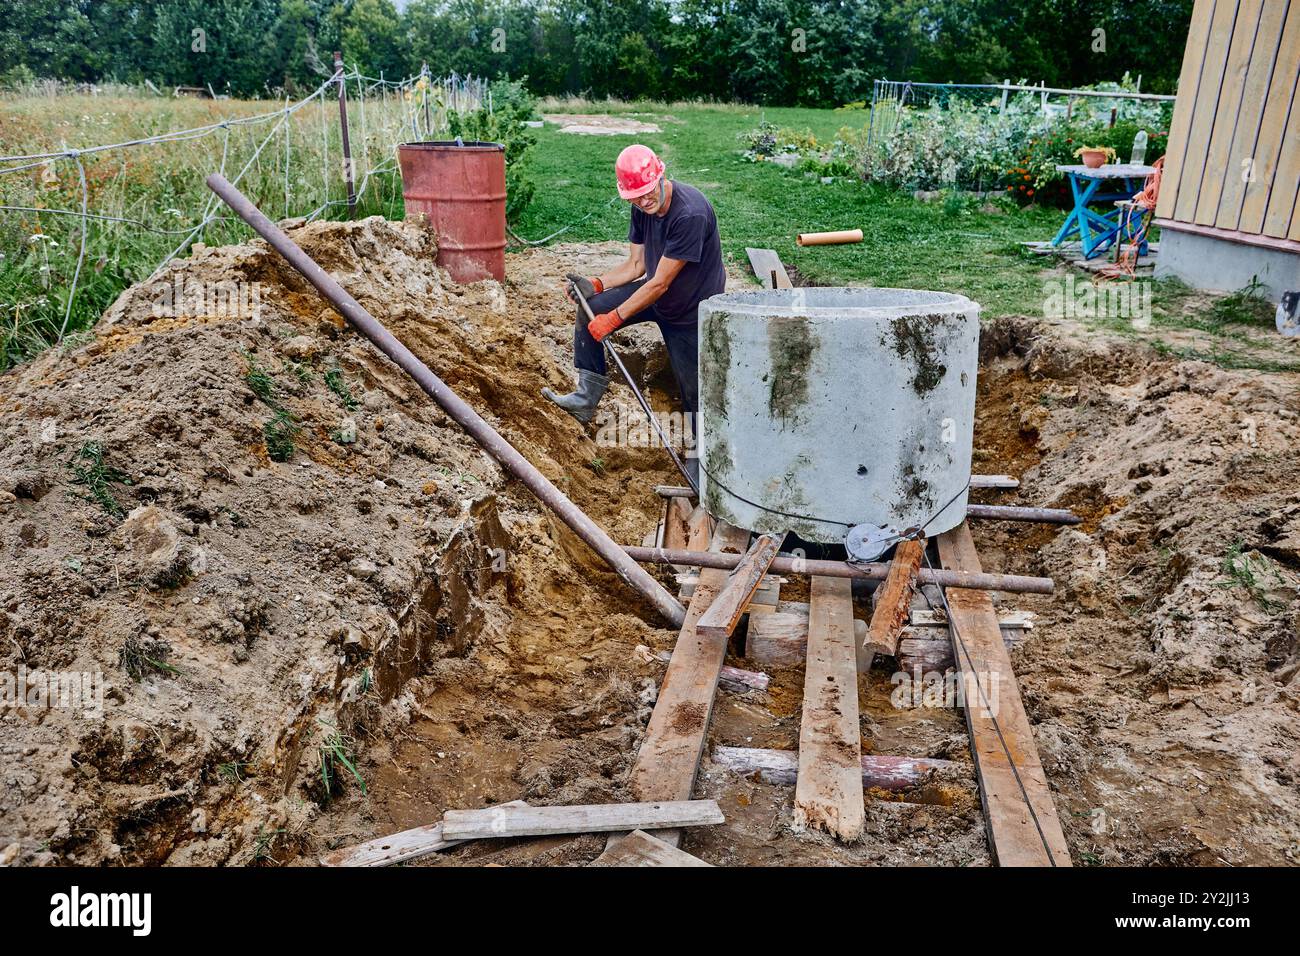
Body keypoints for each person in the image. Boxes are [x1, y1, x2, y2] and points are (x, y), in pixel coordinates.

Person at [543, 144, 726, 481]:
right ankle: (586, 396)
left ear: (661, 175)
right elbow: (637, 265)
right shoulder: (642, 206)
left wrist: (614, 319)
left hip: (691, 310)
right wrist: (596, 285)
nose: (643, 201)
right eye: (636, 196)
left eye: (646, 192)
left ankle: (705, 460)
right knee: (590, 310)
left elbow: (659, 283)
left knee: (695, 390)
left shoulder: (690, 214)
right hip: (656, 293)